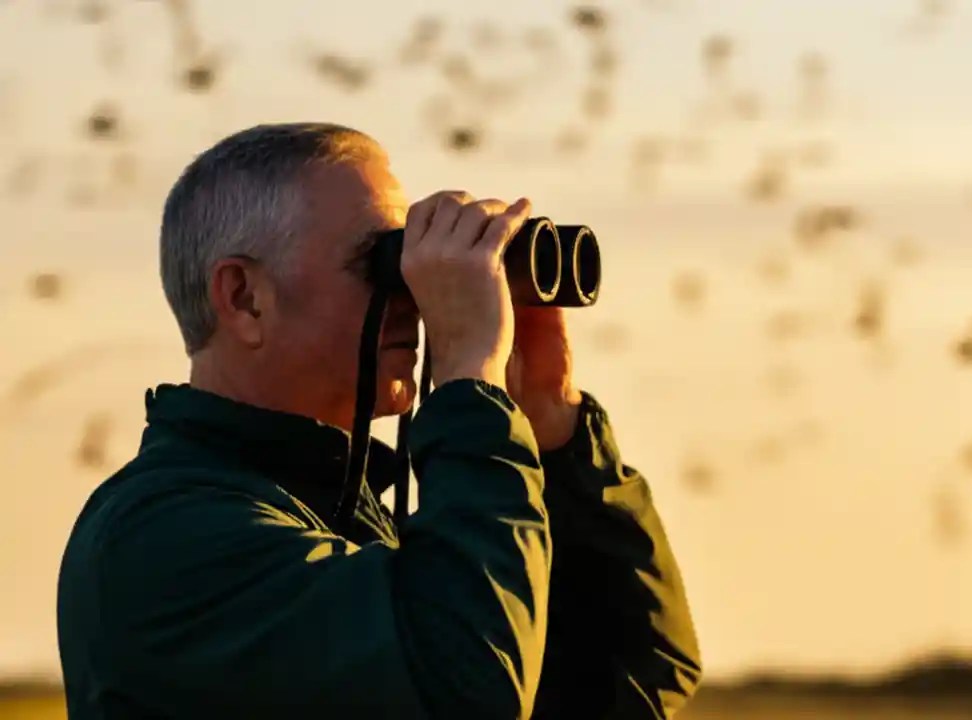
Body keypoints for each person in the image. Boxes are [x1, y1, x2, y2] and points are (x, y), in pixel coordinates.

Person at [55, 123, 702, 719]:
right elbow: (472, 687)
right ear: (245, 298)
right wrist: (468, 387)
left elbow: (634, 683)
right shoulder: (163, 540)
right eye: (380, 261)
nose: (415, 295)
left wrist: (554, 431)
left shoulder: (346, 510)